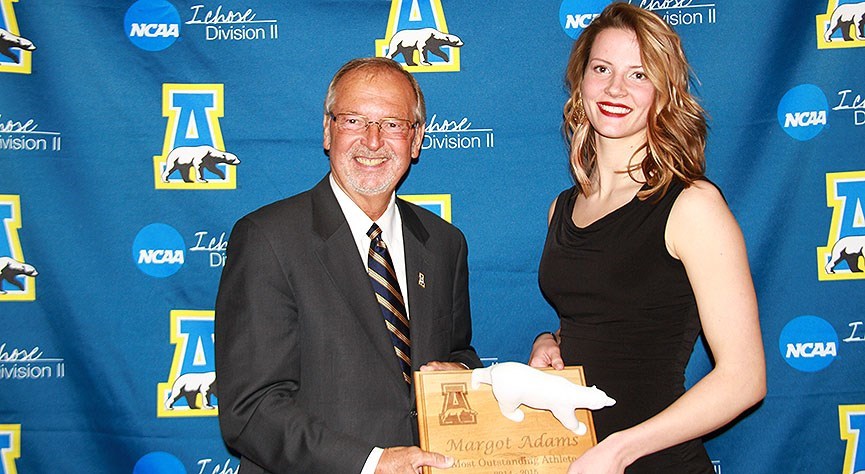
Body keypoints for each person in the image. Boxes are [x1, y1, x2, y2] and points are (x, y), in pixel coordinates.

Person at [529, 3, 766, 473]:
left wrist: (620, 450)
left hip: (654, 463)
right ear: (581, 82)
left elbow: (745, 379)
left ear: (663, 92)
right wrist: (549, 341)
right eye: (602, 69)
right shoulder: (563, 208)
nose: (616, 88)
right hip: (575, 458)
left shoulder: (692, 205)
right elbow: (615, 325)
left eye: (639, 75)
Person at [215, 57, 482, 473]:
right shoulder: (267, 239)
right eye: (354, 121)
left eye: (393, 124)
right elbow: (251, 411)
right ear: (328, 130)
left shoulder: (445, 243)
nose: (373, 141)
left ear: (416, 141)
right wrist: (371, 464)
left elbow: (459, 352)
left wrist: (460, 372)